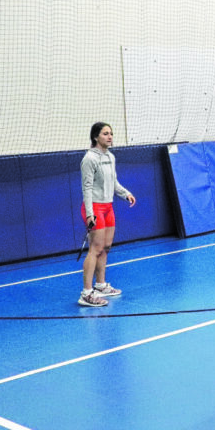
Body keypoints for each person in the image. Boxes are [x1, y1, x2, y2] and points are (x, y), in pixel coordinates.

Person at [79, 122, 136, 307]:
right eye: (105, 133)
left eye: (111, 133)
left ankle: (101, 285)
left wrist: (126, 193)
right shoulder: (89, 159)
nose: (110, 136)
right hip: (94, 208)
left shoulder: (111, 157)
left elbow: (114, 182)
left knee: (106, 247)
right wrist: (90, 214)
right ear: (96, 137)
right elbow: (87, 188)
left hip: (108, 207)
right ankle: (86, 293)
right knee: (95, 249)